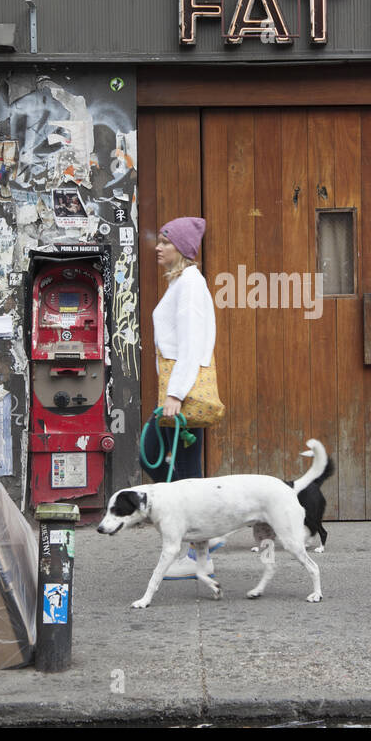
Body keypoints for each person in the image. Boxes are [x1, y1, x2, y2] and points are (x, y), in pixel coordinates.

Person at [150, 216, 219, 578]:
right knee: (177, 468)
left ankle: (199, 548)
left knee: (183, 472)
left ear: (183, 249)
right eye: (160, 241)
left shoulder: (190, 283)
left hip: (182, 388)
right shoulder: (181, 283)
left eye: (166, 241)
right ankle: (201, 551)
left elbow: (191, 343)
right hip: (176, 384)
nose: (158, 247)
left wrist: (176, 393)